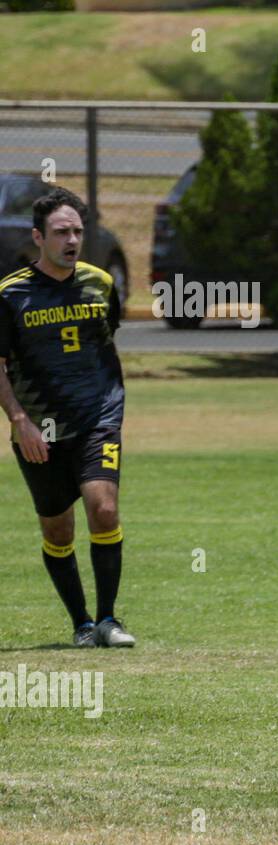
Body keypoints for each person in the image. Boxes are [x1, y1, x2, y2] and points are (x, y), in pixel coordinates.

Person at [0, 187, 134, 648]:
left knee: (104, 507)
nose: (72, 240)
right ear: (39, 237)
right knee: (57, 527)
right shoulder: (11, 294)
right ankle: (80, 623)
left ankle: (109, 620)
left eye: (78, 231)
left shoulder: (101, 283)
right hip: (39, 427)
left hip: (99, 416)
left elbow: (106, 340)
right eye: (61, 232)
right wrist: (19, 420)